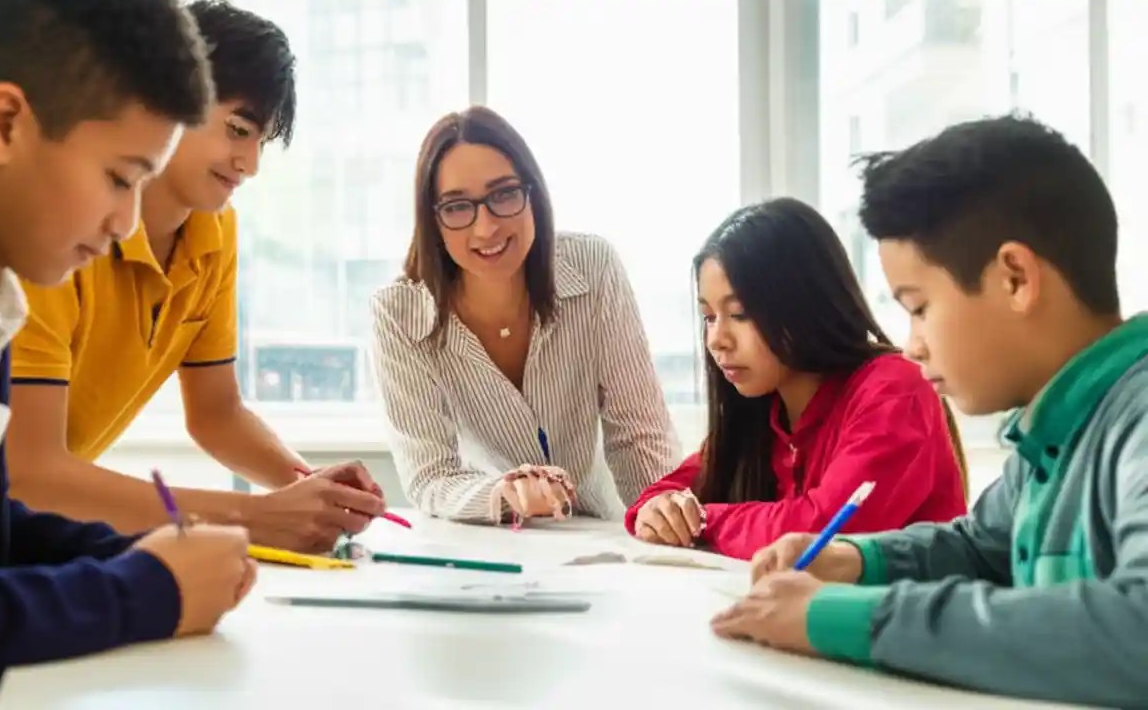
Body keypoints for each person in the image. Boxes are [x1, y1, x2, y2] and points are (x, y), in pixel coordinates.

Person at [0, 0, 255, 706]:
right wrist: (145, 590)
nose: (125, 220)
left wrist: (144, 552)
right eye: (119, 177)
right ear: (4, 124)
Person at [712, 116, 1148, 707]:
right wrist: (856, 559)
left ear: (1015, 279)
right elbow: (979, 548)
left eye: (918, 308)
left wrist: (846, 618)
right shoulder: (1057, 431)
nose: (913, 344)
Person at [7, 0, 385, 553]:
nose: (249, 163)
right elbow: (30, 473)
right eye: (236, 128)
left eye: (260, 141)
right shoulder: (61, 225)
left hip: (23, 526)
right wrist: (254, 516)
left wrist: (309, 493)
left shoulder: (215, 232)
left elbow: (216, 413)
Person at [370, 106, 679, 524]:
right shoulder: (399, 314)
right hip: (485, 542)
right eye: (458, 206)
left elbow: (637, 434)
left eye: (503, 195)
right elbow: (431, 476)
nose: (485, 228)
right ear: (433, 219)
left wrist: (660, 513)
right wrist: (503, 494)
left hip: (595, 534)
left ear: (532, 194)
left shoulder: (593, 267)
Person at [625, 198, 967, 559]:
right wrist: (658, 511)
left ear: (803, 304)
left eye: (739, 314)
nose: (716, 340)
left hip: (898, 613)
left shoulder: (894, 387)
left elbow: (821, 534)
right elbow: (661, 496)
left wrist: (702, 521)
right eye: (709, 317)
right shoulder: (763, 405)